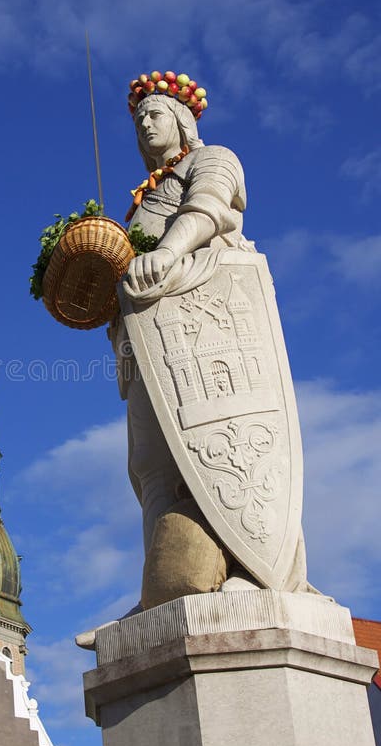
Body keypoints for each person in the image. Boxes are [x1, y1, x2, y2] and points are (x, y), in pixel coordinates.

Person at [113, 72, 308, 609]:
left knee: (237, 445)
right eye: (139, 119)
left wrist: (168, 253)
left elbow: (210, 209)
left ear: (182, 119)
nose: (145, 123)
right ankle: (162, 589)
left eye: (155, 113)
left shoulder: (213, 158)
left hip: (211, 320)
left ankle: (258, 570)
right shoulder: (141, 203)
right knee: (152, 465)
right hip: (151, 343)